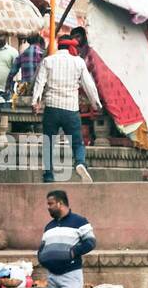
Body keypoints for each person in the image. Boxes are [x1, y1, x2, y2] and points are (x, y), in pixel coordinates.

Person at [33, 34, 100, 184]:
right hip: (71, 109)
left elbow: (39, 83)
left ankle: (49, 174)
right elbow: (89, 85)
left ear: (59, 45)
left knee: (49, 142)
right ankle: (80, 163)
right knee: (77, 142)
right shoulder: (79, 62)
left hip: (52, 108)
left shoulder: (48, 61)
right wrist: (96, 104)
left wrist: (35, 102)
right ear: (71, 46)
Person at [37, 189, 95, 288]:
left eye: (50, 204)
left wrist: (71, 253)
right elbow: (42, 247)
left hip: (71, 273)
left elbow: (90, 242)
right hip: (52, 275)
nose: (48, 207)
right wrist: (42, 258)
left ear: (60, 203)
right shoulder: (49, 226)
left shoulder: (79, 221)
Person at [7, 32, 45, 97]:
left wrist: (8, 84)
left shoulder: (23, 55)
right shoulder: (43, 54)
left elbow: (11, 73)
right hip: (38, 88)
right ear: (40, 42)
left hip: (25, 89)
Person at [0, 34, 18, 100]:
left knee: (5, 110)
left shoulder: (13, 52)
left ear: (6, 36)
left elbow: (17, 72)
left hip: (6, 92)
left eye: (0, 36)